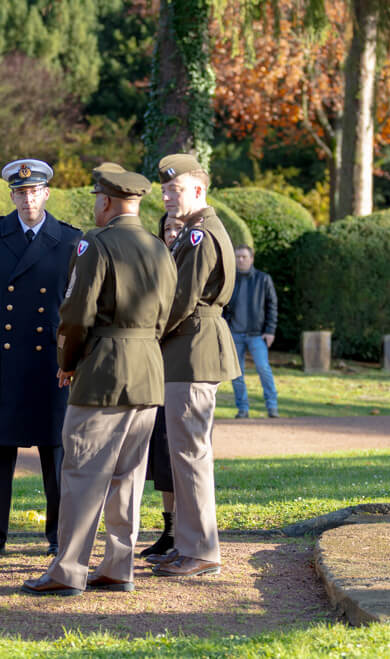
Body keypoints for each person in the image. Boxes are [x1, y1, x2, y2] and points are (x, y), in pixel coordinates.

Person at [21, 162, 177, 595]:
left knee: (83, 474)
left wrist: (67, 361)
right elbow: (167, 313)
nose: (95, 205)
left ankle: (67, 569)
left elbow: (75, 315)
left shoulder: (96, 244)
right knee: (128, 477)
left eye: (96, 198)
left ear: (106, 201)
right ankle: (117, 566)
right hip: (147, 371)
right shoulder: (159, 247)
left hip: (103, 371)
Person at [0, 159, 80, 558]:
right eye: (20, 192)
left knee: (56, 450)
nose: (27, 198)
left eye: (34, 192)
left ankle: (57, 535)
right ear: (11, 195)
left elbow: (75, 301)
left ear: (47, 193)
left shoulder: (70, 240)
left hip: (50, 358)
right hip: (2, 356)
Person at [148, 154, 240, 578]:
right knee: (183, 453)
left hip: (192, 350)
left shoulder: (200, 235)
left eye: (176, 189)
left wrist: (143, 336)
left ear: (199, 191)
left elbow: (181, 300)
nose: (167, 196)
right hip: (188, 351)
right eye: (165, 189)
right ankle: (187, 544)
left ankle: (201, 551)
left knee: (189, 455)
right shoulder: (194, 232)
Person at [138, 214, 184, 559]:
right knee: (161, 453)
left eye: (178, 229)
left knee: (178, 451)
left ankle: (184, 532)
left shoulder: (192, 263)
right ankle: (168, 530)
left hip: (181, 365)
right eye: (167, 229)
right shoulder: (153, 264)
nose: (171, 234)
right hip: (152, 365)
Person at [224, 244, 279, 418]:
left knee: (263, 369)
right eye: (238, 257)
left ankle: (272, 407)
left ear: (251, 258)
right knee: (237, 374)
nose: (240, 260)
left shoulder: (263, 279)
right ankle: (243, 409)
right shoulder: (229, 280)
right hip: (234, 334)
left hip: (257, 335)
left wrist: (270, 330)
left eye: (244, 257)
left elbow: (272, 306)